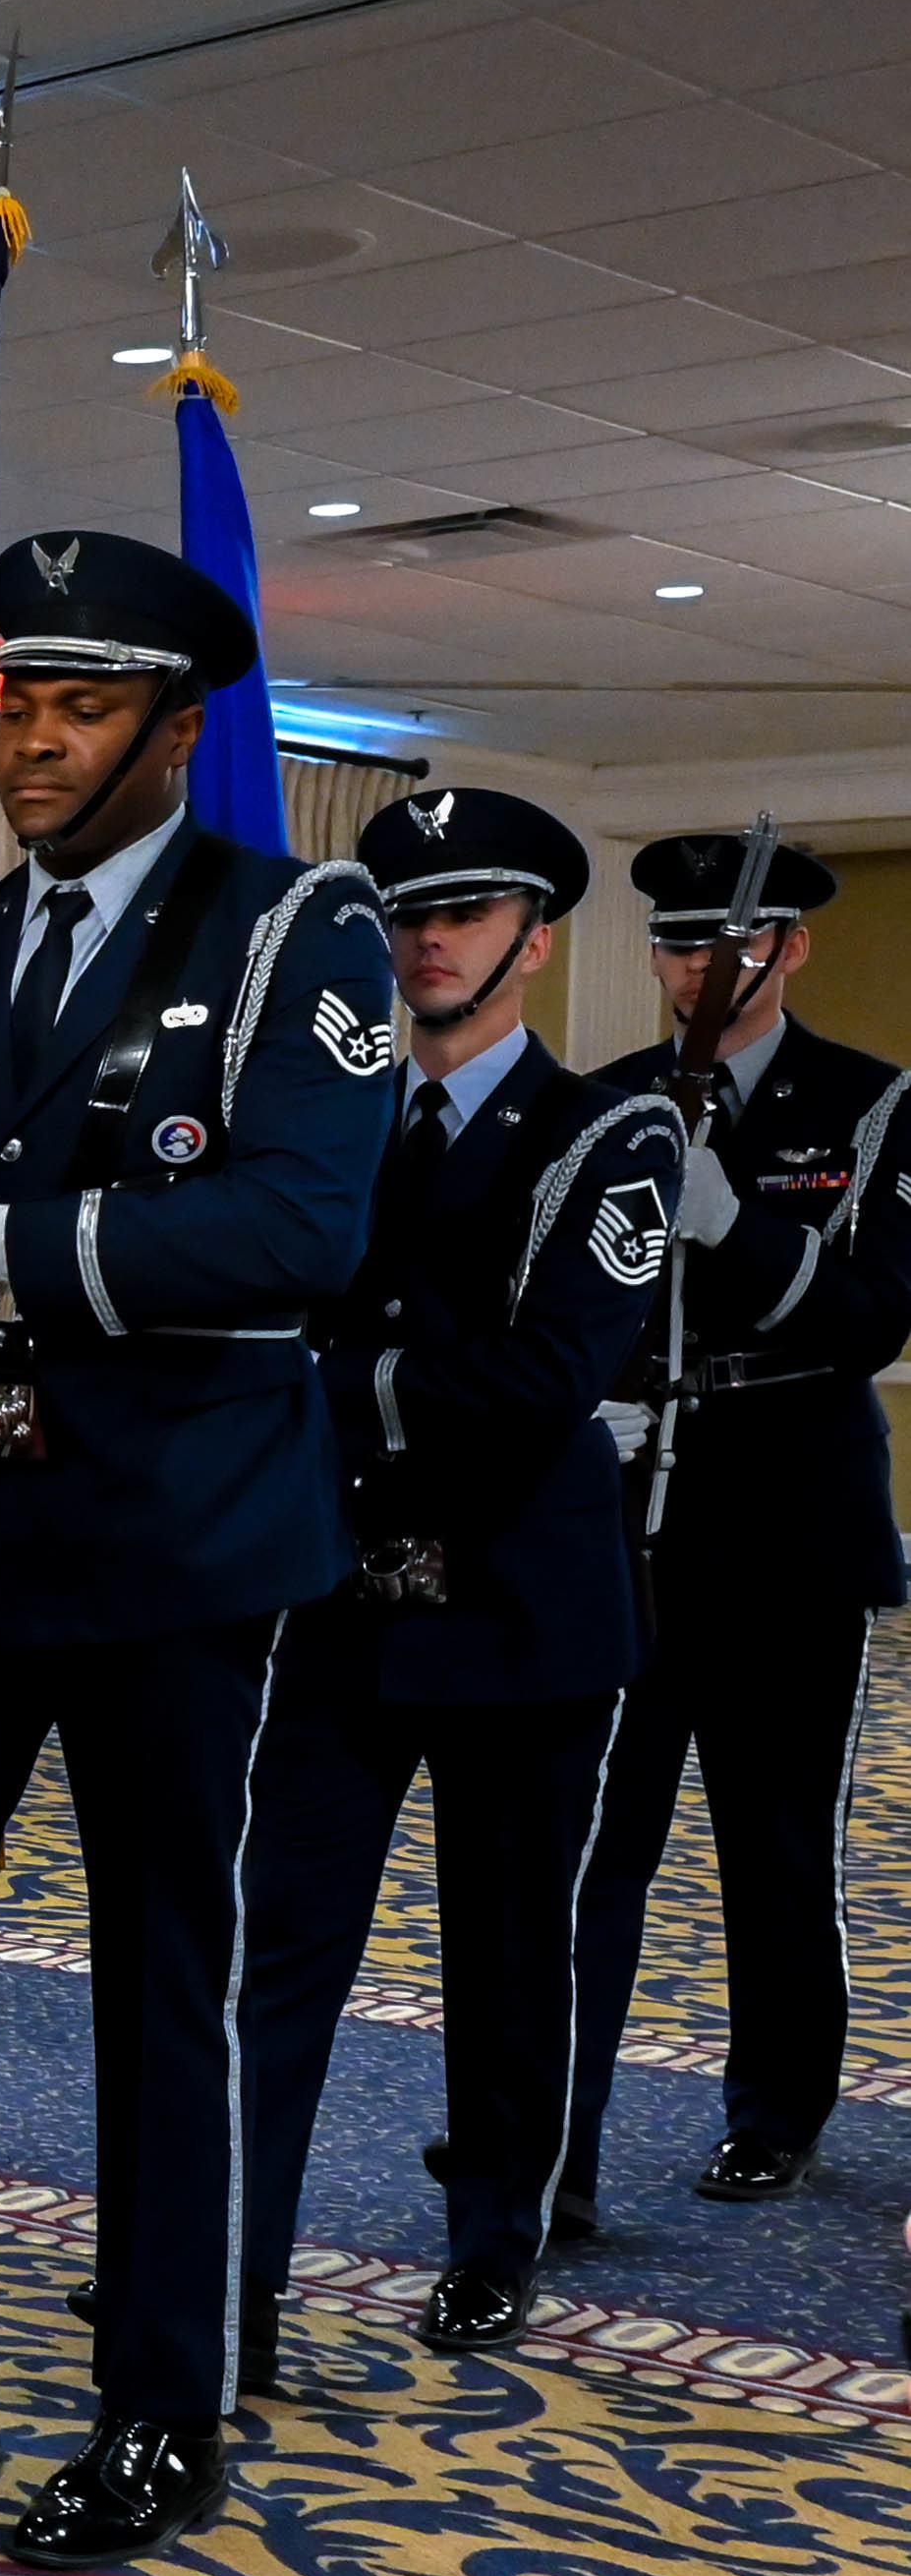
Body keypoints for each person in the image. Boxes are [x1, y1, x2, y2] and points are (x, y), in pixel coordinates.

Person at [0, 533, 392, 2573]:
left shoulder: (299, 928)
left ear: (177, 729)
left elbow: (302, 1232)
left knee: (162, 1972)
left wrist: (15, 1243)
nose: (33, 737)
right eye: (22, 697)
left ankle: (161, 2394)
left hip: (176, 1532)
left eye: (85, 703)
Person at [227, 790, 679, 2365]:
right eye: (405, 912)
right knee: (272, 1943)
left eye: (464, 912)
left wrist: (308, 1385)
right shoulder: (323, 1112)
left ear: (532, 941)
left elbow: (547, 1369)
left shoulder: (608, 1133)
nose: (426, 937)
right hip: (335, 1596)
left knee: (505, 1950)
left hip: (519, 1613)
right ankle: (229, 2253)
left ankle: (495, 2234)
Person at [568, 837, 908, 2204]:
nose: (699, 969)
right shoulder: (599, 1104)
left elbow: (867, 1314)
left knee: (769, 1835)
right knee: (587, 1840)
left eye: (732, 942)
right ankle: (555, 2128)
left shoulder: (875, 1110)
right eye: (677, 942)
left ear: (789, 948)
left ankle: (775, 2105)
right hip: (614, 1520)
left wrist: (732, 1227)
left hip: (787, 1517)